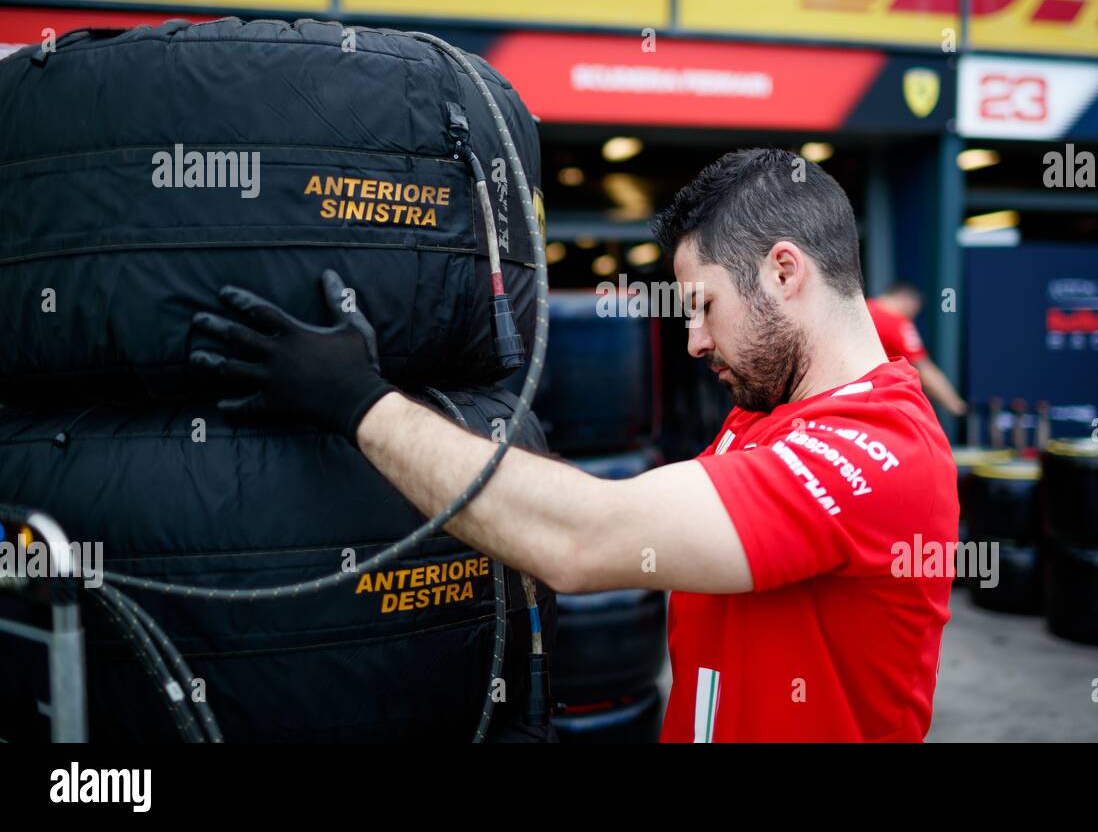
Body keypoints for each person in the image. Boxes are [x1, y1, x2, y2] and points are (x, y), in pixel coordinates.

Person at [190, 147, 958, 742]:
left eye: (703, 307)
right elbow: (609, 506)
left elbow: (584, 537)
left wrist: (359, 402)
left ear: (784, 271)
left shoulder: (877, 451)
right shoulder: (766, 413)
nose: (692, 340)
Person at [867, 281, 968, 418]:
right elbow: (924, 369)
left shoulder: (862, 310)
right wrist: (956, 405)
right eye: (914, 309)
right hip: (880, 400)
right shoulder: (896, 321)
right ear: (905, 299)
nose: (912, 316)